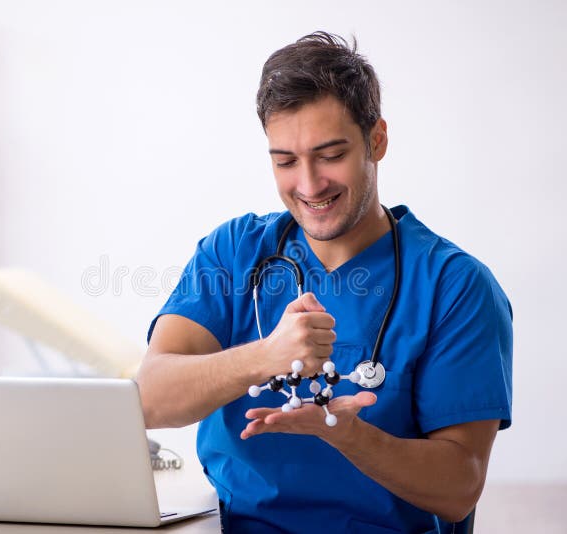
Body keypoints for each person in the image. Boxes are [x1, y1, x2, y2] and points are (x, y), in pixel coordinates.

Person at [137, 31, 512, 533]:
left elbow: (458, 488)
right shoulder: (233, 252)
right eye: (286, 161)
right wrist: (263, 356)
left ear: (376, 140)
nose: (309, 185)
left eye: (330, 155)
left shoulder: (456, 286)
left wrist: (348, 434)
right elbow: (149, 399)